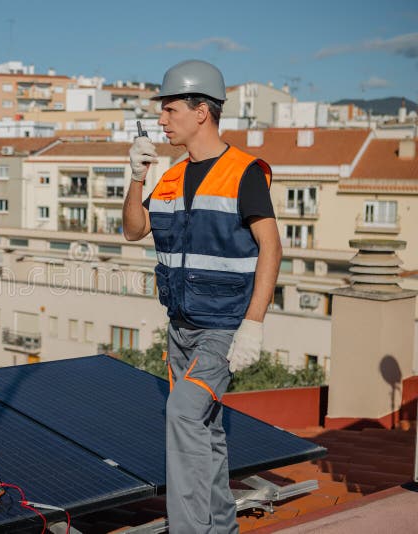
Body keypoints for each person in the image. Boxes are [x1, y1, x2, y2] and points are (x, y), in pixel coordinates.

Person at [122, 59, 282, 533]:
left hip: (222, 328)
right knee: (206, 432)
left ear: (201, 112)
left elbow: (271, 247)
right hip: (180, 329)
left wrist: (253, 324)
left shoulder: (243, 172)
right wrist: (137, 176)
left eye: (169, 109)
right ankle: (220, 528)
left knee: (182, 414)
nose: (161, 120)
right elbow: (134, 230)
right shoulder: (170, 176)